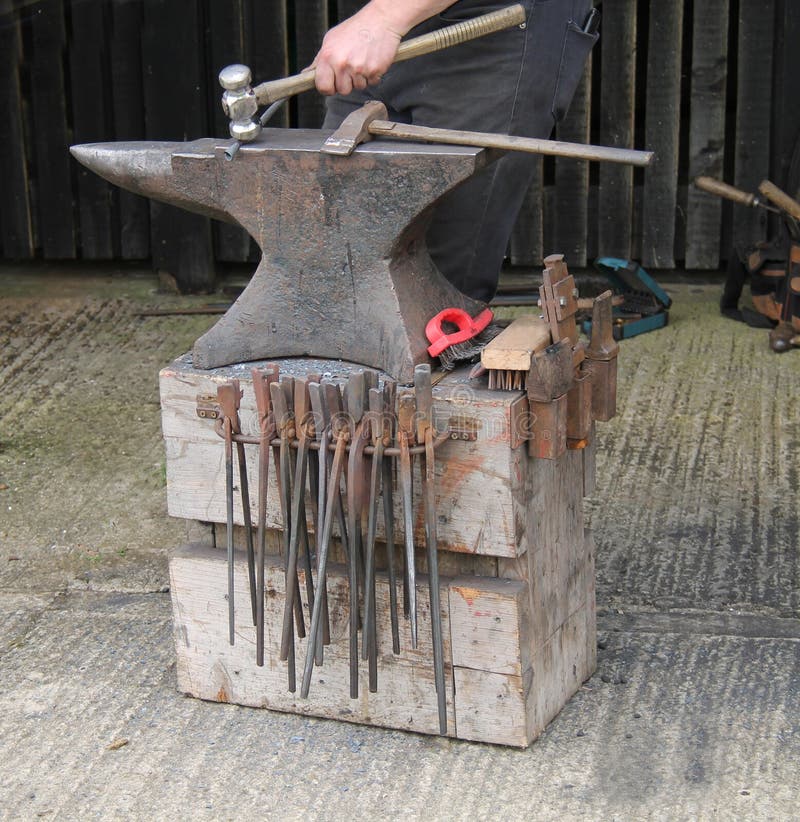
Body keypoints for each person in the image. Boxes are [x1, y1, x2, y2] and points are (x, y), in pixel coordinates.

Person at [310, 0, 599, 303]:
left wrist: (383, 18)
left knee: (431, 292)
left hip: (494, 25)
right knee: (332, 258)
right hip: (380, 26)